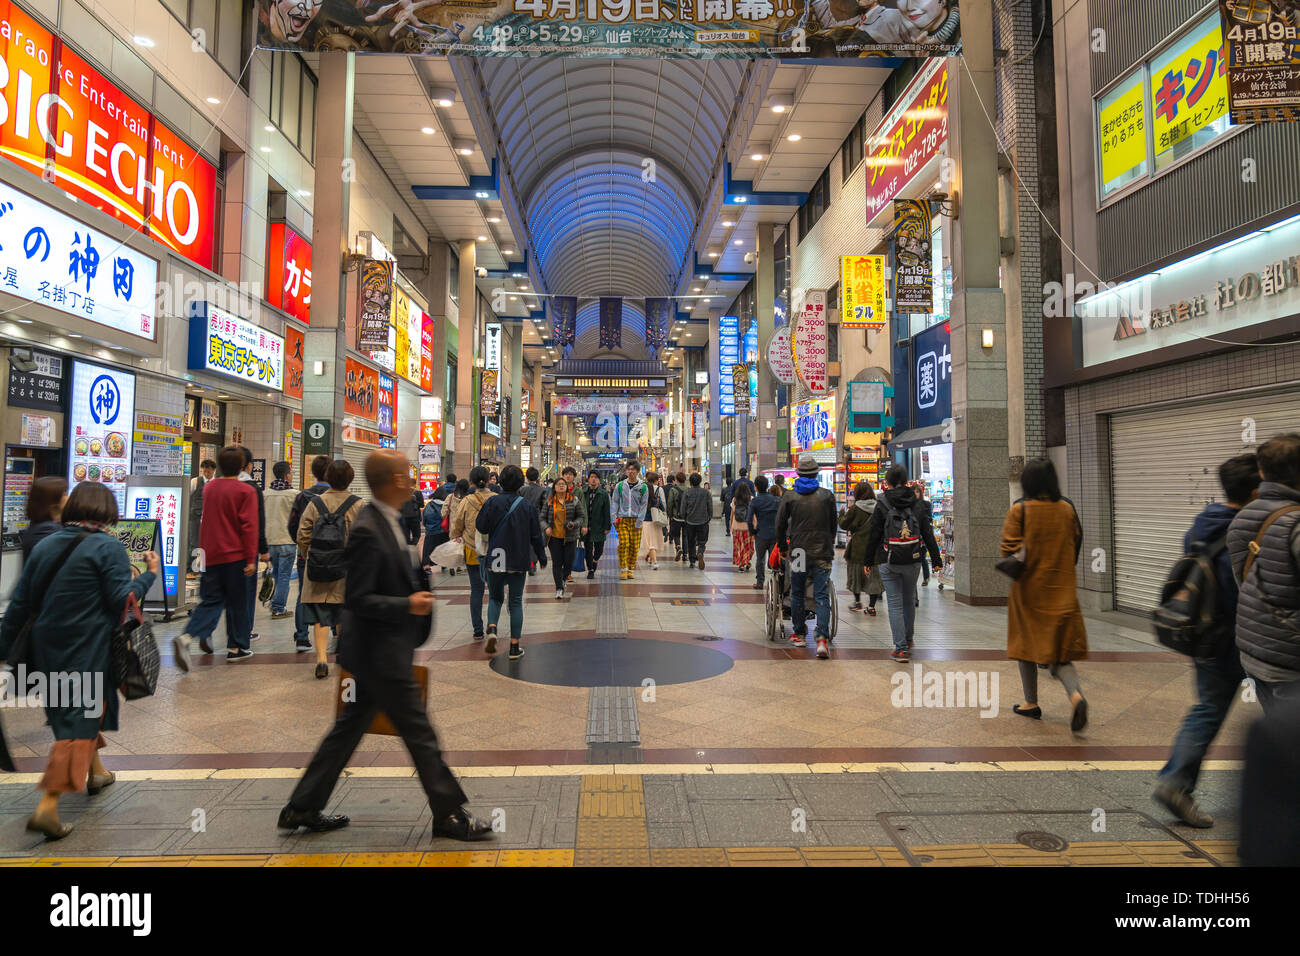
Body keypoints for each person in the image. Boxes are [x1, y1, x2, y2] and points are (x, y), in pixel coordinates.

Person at [278, 449, 492, 843]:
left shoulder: (387, 521)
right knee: (418, 732)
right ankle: (449, 814)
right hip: (379, 653)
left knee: (348, 730)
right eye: (408, 474)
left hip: (378, 651)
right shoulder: (367, 528)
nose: (413, 480)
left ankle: (302, 806)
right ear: (395, 481)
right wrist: (408, 604)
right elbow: (357, 599)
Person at [0, 482, 158, 840]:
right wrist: (149, 573)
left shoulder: (45, 545)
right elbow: (122, 598)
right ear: (107, 511)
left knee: (74, 712)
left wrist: (2, 647)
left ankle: (96, 772)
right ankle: (48, 806)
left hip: (45, 648)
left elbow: (21, 603)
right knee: (78, 724)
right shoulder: (108, 547)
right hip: (86, 649)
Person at [1153, 454, 1260, 828]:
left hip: (1204, 636)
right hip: (1238, 639)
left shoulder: (1203, 523)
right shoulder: (1247, 531)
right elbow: (1241, 592)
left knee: (1207, 709)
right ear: (1256, 489)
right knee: (1282, 711)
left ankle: (1175, 782)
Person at [998, 458, 1088, 730]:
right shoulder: (1066, 509)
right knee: (1060, 654)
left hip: (1029, 591)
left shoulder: (1021, 510)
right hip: (1062, 589)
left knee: (1026, 646)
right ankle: (1075, 695)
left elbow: (1008, 548)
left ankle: (1031, 702)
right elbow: (1076, 544)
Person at [1226, 433, 1300, 717]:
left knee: (1284, 743)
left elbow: (1245, 583)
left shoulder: (1242, 516)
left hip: (1255, 654)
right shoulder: (1296, 522)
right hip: (1291, 662)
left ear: (1261, 471)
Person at [174, 445, 259, 668]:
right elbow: (249, 527)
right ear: (242, 466)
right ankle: (236, 647)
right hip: (236, 556)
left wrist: (201, 553)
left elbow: (205, 522)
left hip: (211, 555)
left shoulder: (210, 489)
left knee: (211, 599)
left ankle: (186, 636)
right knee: (237, 602)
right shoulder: (245, 491)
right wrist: (251, 559)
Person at [862, 463, 943, 662]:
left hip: (887, 559)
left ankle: (900, 648)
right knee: (908, 600)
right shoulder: (917, 502)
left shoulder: (882, 502)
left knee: (895, 604)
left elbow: (874, 534)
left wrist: (867, 560)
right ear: (906, 481)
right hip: (914, 559)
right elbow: (927, 532)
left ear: (887, 482)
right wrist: (936, 559)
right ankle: (908, 639)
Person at [297, 459, 365, 679]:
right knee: (345, 612)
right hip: (347, 568)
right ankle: (343, 655)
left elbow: (302, 534)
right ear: (350, 479)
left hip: (318, 567)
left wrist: (311, 556)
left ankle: (321, 659)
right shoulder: (358, 504)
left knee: (320, 614)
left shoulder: (315, 503)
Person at [476, 464, 547, 659]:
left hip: (497, 555)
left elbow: (481, 527)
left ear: (500, 481)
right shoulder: (527, 506)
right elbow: (535, 535)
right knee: (515, 601)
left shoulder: (492, 502)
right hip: (518, 556)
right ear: (519, 483)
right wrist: (541, 557)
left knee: (495, 598)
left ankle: (492, 628)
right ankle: (515, 647)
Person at [775, 455, 839, 659]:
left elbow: (780, 524)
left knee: (797, 591)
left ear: (798, 474)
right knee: (821, 595)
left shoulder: (790, 497)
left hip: (799, 551)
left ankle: (800, 633)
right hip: (821, 551)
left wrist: (783, 547)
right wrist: (828, 542)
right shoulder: (827, 496)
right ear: (817, 474)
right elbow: (833, 525)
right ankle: (821, 638)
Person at [288, 455, 332, 652]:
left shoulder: (302, 496)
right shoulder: (338, 497)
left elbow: (293, 526)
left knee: (304, 594)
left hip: (307, 554)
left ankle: (302, 636)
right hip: (334, 555)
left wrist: (303, 547)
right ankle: (335, 631)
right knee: (335, 593)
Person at [448, 467, 495, 639]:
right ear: (489, 480)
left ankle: (477, 630)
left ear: (472, 482)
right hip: (493, 551)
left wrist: (456, 536)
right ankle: (493, 626)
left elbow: (457, 524)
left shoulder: (466, 501)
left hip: (472, 549)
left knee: (477, 590)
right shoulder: (496, 499)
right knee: (494, 591)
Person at [237, 446, 270, 642]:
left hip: (221, 551)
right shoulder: (252, 488)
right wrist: (263, 550)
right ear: (249, 466)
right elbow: (257, 522)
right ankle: (244, 633)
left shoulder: (214, 486)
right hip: (246, 550)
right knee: (247, 591)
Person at [840, 480, 885, 614]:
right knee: (874, 578)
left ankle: (858, 602)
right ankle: (871, 606)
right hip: (875, 548)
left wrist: (841, 514)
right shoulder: (879, 507)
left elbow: (843, 525)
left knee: (856, 576)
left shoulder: (855, 508)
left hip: (857, 549)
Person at [264, 461, 298, 620]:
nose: (291, 475)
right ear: (286, 475)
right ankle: (278, 608)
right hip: (287, 541)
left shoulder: (265, 494)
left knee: (277, 573)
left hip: (270, 541)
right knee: (284, 575)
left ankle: (276, 603)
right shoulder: (295, 495)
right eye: (290, 472)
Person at [544, 475, 587, 598]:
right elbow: (542, 517)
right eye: (558, 484)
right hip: (554, 537)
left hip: (570, 537)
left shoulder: (574, 499)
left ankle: (563, 579)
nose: (561, 486)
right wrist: (546, 527)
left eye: (563, 484)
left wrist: (575, 524)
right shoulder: (550, 501)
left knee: (569, 562)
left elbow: (581, 516)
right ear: (554, 487)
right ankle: (558, 588)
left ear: (566, 487)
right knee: (557, 563)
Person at [611, 460, 650, 580]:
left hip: (636, 521)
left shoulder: (643, 487)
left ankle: (630, 568)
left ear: (638, 471)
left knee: (634, 546)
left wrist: (639, 520)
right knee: (624, 544)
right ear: (626, 471)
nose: (631, 472)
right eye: (629, 469)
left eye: (633, 469)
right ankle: (623, 569)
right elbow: (615, 502)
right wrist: (614, 517)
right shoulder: (620, 486)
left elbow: (644, 505)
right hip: (622, 519)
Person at [20, 475, 67, 562]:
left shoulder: (37, 527)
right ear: (54, 502)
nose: (68, 497)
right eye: (65, 494)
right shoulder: (47, 531)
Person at [748, 475, 780, 590]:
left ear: (755, 487)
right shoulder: (776, 500)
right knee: (775, 560)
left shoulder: (755, 501)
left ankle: (760, 582)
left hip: (761, 534)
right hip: (775, 534)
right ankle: (777, 582)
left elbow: (749, 519)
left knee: (760, 559)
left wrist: (753, 532)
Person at [520, 467, 550, 575]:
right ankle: (533, 564)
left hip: (524, 518)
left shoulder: (522, 489)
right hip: (537, 518)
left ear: (526, 477)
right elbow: (544, 506)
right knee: (536, 541)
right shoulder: (542, 490)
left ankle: (529, 563)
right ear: (537, 477)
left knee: (526, 541)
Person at [187, 459, 215, 575]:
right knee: (195, 543)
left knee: (209, 544)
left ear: (214, 470)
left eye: (209, 472)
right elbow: (187, 496)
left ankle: (206, 567)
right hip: (195, 518)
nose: (207, 474)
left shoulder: (216, 483)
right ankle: (195, 569)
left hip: (211, 519)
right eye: (204, 472)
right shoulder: (195, 482)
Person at [679, 472, 712, 569]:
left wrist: (684, 517)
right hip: (703, 521)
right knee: (702, 541)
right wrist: (709, 518)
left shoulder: (687, 492)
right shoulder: (706, 493)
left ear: (690, 482)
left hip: (690, 521)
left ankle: (692, 561)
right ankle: (700, 552)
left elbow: (683, 507)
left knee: (691, 541)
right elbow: (710, 507)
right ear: (700, 482)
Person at [582, 470, 612, 579]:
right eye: (591, 477)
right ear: (588, 479)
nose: (593, 479)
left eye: (595, 477)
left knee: (599, 549)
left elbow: (606, 511)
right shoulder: (583, 492)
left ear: (599, 480)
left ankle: (594, 561)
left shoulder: (603, 494)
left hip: (599, 525)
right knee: (588, 549)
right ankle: (590, 569)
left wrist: (607, 526)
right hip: (586, 526)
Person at [639, 471, 666, 570]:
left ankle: (654, 562)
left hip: (646, 522)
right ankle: (652, 560)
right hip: (656, 522)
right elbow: (663, 508)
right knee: (654, 542)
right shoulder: (657, 498)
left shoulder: (642, 499)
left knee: (650, 543)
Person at [422, 483, 450, 569]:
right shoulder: (446, 505)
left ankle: (427, 566)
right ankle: (443, 564)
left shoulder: (429, 505)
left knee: (428, 549)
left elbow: (424, 519)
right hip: (444, 532)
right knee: (444, 549)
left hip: (431, 532)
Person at [730, 480, 754, 572]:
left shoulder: (735, 499)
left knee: (739, 545)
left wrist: (731, 525)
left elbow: (732, 514)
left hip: (737, 526)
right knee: (748, 546)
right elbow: (754, 514)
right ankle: (747, 562)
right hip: (748, 526)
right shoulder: (751, 499)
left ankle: (741, 564)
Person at [667, 471, 687, 562]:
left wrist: (670, 515)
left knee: (676, 534)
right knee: (685, 535)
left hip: (676, 516)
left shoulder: (673, 490)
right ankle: (685, 555)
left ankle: (678, 547)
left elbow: (670, 503)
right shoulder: (689, 489)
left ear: (676, 480)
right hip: (687, 517)